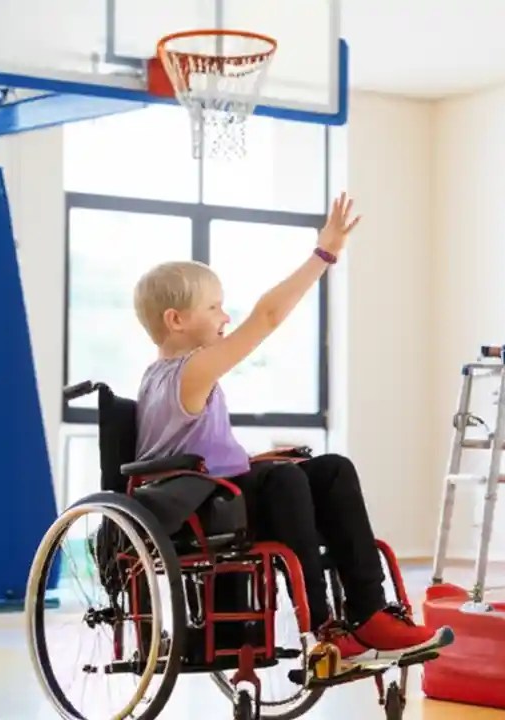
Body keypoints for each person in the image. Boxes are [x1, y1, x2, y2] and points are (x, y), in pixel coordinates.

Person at [132, 193, 451, 661]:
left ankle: (372, 614)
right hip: (203, 512)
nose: (226, 317)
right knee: (284, 478)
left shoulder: (164, 376)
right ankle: (323, 627)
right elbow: (267, 317)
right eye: (215, 308)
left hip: (224, 495)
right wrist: (324, 254)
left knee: (332, 469)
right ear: (176, 320)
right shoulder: (189, 371)